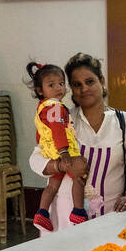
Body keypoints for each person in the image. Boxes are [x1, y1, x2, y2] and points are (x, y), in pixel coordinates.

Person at [28, 53, 126, 232]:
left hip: (110, 219)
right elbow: (35, 159)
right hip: (64, 222)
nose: (84, 89)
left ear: (102, 81)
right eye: (77, 85)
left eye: (89, 81)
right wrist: (61, 166)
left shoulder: (124, 122)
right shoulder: (62, 118)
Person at [26, 61, 88, 231]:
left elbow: (40, 133)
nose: (58, 88)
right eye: (51, 85)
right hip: (62, 151)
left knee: (52, 185)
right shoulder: (55, 107)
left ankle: (42, 213)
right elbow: (58, 130)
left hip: (50, 151)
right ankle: (78, 211)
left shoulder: (42, 108)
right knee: (79, 175)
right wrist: (64, 153)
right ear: (40, 90)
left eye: (61, 83)